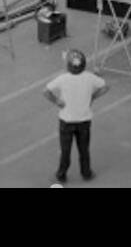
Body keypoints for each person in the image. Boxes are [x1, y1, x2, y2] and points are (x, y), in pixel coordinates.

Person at [43, 49, 108, 183]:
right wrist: (93, 97)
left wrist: (57, 101)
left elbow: (46, 91)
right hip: (84, 121)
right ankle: (86, 173)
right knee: (84, 150)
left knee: (65, 151)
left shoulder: (63, 78)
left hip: (66, 121)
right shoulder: (90, 77)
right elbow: (105, 87)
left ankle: (61, 174)